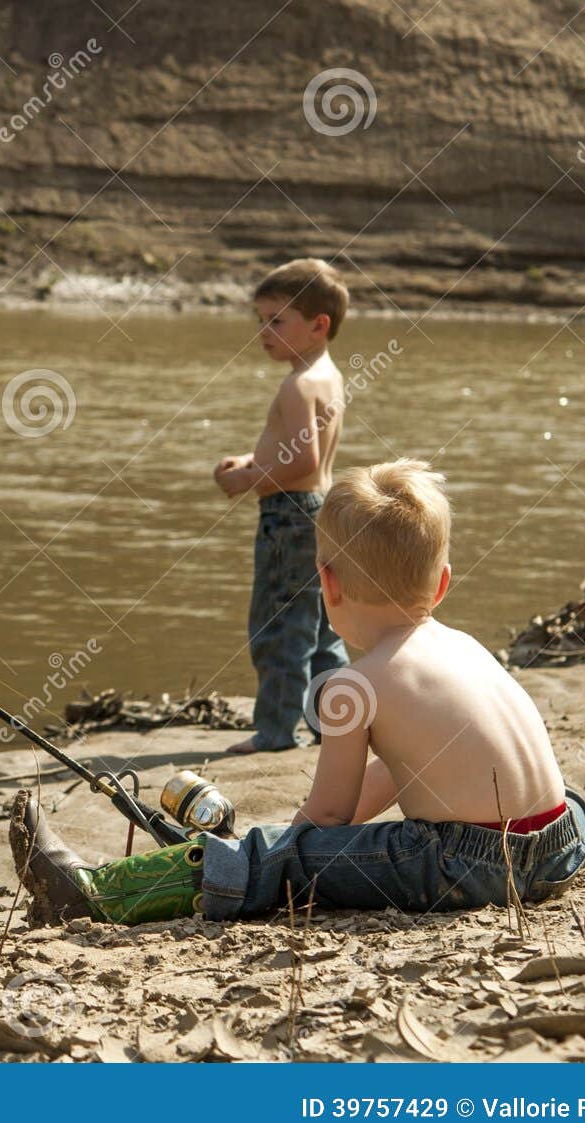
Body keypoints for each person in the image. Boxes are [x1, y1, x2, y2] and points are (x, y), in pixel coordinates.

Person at [11, 460, 585, 924]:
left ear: (327, 584)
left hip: (467, 867)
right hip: (560, 840)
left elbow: (330, 812)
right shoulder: (465, 645)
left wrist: (279, 849)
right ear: (441, 584)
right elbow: (412, 771)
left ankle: (93, 893)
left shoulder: (355, 684)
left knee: (278, 856)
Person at [214, 258, 351, 754]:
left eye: (277, 320)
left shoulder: (296, 386)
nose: (264, 332)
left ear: (318, 325)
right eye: (260, 320)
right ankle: (334, 724)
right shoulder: (327, 376)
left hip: (288, 514)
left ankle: (274, 731)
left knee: (277, 626)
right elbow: (302, 452)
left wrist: (247, 479)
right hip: (317, 510)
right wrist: (251, 458)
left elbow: (300, 461)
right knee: (318, 629)